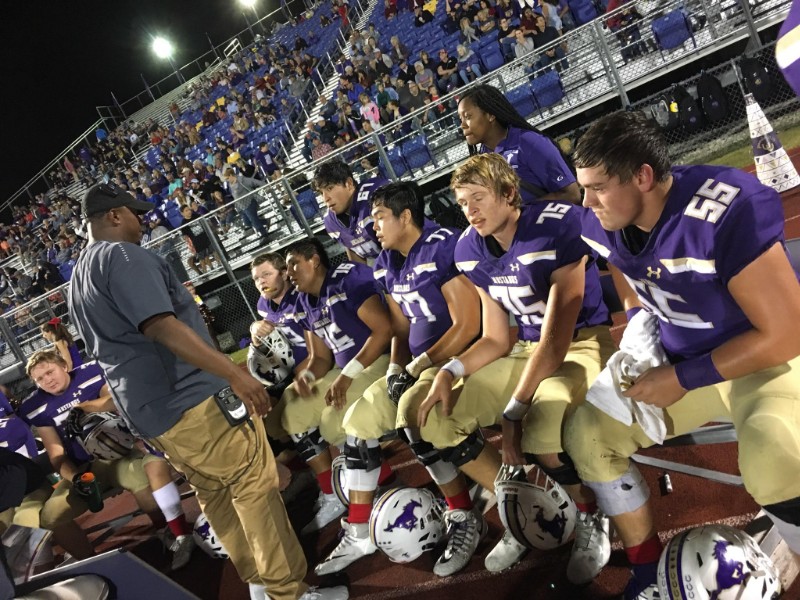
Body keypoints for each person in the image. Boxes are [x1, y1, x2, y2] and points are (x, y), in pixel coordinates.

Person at [67, 182, 348, 600]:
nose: (141, 221)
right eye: (133, 213)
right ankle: (288, 591)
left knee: (215, 494)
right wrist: (235, 375)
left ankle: (257, 585)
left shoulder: (77, 279)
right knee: (253, 486)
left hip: (154, 413)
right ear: (113, 215)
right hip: (189, 398)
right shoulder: (122, 255)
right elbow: (160, 326)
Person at [565, 110, 800, 599]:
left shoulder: (724, 208)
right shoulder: (605, 218)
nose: (586, 201)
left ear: (644, 177)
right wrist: (637, 323)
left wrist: (683, 377)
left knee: (773, 454)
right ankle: (649, 575)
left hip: (761, 360)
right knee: (587, 433)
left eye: (598, 187)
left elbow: (786, 333)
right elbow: (625, 265)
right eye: (582, 186)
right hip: (679, 359)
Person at [417, 153, 615, 581]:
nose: (469, 211)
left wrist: (512, 414)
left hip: (580, 343)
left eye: (478, 198)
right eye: (463, 202)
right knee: (436, 419)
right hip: (523, 348)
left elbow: (557, 339)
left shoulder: (557, 226)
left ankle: (589, 513)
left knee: (540, 426)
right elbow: (495, 338)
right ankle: (522, 507)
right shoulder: (469, 248)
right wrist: (450, 371)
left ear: (510, 195)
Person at [325, 182, 482, 577]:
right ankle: (359, 530)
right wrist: (397, 367)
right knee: (358, 424)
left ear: (405, 216)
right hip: (416, 363)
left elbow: (467, 325)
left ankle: (463, 512)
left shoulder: (443, 245)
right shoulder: (385, 261)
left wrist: (419, 364)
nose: (371, 227)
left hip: (458, 357)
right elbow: (400, 326)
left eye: (379, 218)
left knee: (414, 422)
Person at [272, 237, 395, 537]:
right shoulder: (303, 300)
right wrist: (307, 378)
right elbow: (320, 357)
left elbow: (384, 330)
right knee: (293, 409)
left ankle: (378, 482)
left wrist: (348, 374)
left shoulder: (346, 279)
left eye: (293, 265)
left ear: (314, 260)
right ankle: (333, 492)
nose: (288, 274)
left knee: (330, 423)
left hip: (376, 361)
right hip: (343, 369)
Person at [19, 351, 159, 561]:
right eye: (40, 378)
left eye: (50, 371)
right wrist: (75, 479)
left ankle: (168, 531)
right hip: (82, 468)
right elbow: (57, 455)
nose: (47, 380)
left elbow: (114, 402)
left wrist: (82, 407)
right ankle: (90, 561)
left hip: (115, 457)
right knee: (50, 517)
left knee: (137, 477)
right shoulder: (37, 408)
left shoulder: (90, 374)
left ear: (64, 366)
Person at [457, 84, 581, 204]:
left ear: (490, 115)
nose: (462, 125)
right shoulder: (482, 158)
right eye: (460, 119)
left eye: (467, 116)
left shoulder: (528, 142)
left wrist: (521, 215)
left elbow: (571, 195)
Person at [313, 160, 389, 263]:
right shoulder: (331, 221)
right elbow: (351, 246)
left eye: (330, 188)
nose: (325, 198)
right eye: (321, 193)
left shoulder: (375, 197)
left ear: (349, 183)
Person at [223, 168, 271, 240]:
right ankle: (265, 221)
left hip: (249, 202)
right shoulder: (230, 185)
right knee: (247, 222)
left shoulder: (242, 180)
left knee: (254, 220)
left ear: (231, 175)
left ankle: (264, 235)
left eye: (227, 178)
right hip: (241, 206)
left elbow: (253, 181)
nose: (227, 180)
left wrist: (266, 185)